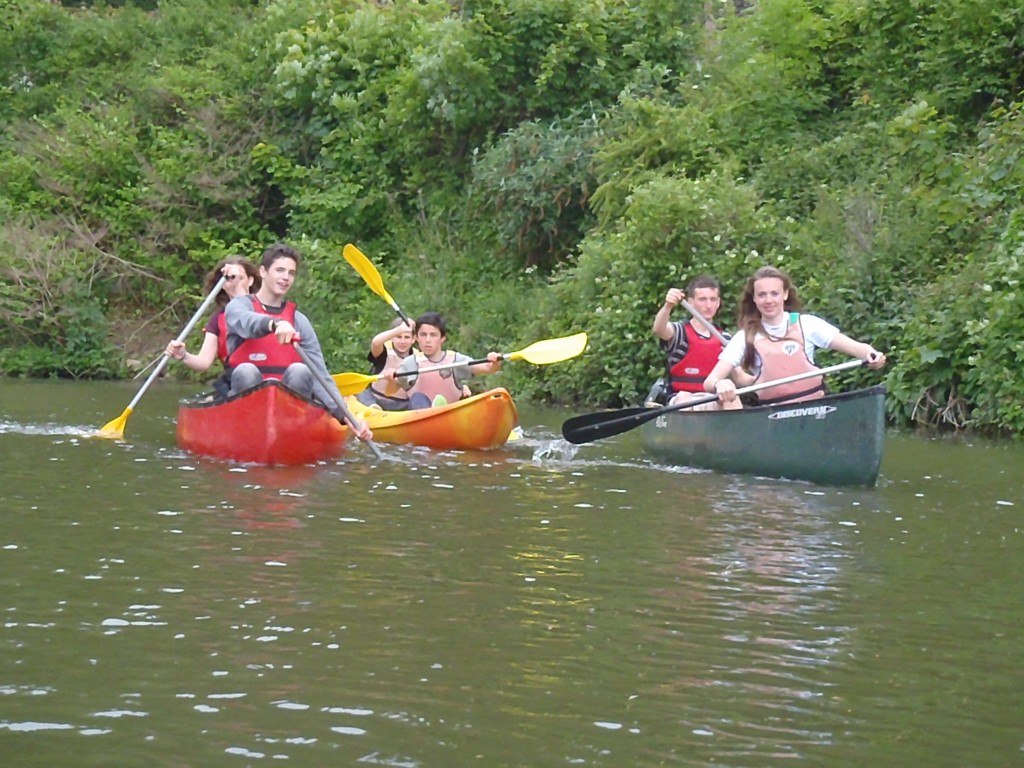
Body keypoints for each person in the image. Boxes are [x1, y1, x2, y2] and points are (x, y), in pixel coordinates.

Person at [224, 243, 372, 441]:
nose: (286, 277)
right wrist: (274, 324)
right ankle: (249, 436)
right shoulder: (239, 306)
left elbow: (320, 375)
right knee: (245, 371)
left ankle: (288, 435)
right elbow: (246, 321)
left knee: (301, 371)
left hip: (289, 414)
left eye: (291, 273)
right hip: (247, 408)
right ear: (263, 272)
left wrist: (347, 417)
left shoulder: (299, 321)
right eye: (280, 270)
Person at [704, 265, 886, 407]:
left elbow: (857, 348)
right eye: (762, 295)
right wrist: (720, 384)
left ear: (785, 294)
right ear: (754, 299)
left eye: (774, 293)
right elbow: (710, 381)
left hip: (816, 408)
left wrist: (871, 354)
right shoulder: (745, 337)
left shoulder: (808, 324)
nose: (768, 300)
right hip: (772, 415)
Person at [165, 256, 260, 397]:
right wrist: (183, 355)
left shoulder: (267, 308)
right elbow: (204, 362)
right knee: (244, 375)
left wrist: (239, 289)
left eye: (238, 277)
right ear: (222, 285)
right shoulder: (217, 319)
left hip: (272, 379)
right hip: (237, 381)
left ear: (250, 280)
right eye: (229, 278)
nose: (233, 282)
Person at [650, 276, 739, 410]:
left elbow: (741, 376)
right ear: (691, 302)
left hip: (714, 397)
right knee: (684, 400)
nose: (708, 305)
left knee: (732, 396)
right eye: (702, 299)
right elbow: (659, 329)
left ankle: (736, 430)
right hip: (683, 397)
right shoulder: (679, 332)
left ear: (718, 303)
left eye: (712, 299)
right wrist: (668, 305)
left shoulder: (725, 339)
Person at [391, 311, 502, 410]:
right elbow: (390, 390)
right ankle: (430, 417)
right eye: (423, 335)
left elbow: (489, 368)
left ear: (442, 338)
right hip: (421, 419)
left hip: (451, 418)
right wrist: (390, 378)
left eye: (433, 335)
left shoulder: (455, 360)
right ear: (416, 338)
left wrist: (494, 362)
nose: (427, 340)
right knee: (417, 397)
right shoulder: (410, 363)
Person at [355, 317, 416, 411]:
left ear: (413, 339)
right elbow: (375, 343)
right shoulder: (384, 352)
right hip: (376, 398)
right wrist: (398, 329)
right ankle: (373, 410)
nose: (402, 341)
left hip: (402, 404)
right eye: (398, 336)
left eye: (407, 337)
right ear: (392, 337)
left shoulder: (418, 358)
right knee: (362, 394)